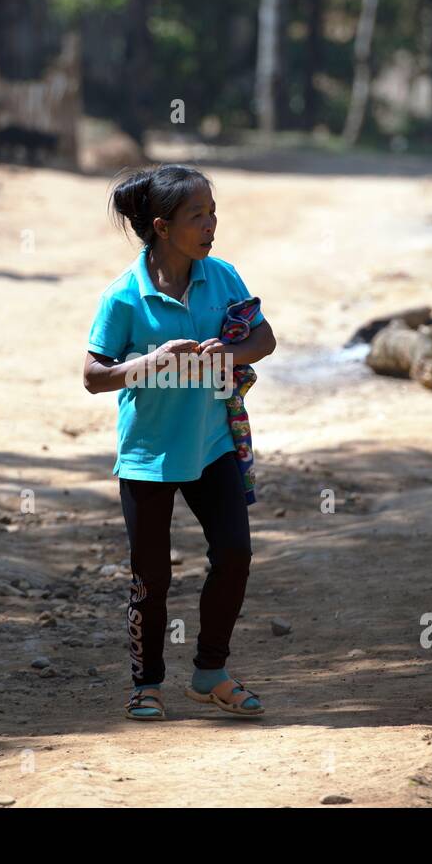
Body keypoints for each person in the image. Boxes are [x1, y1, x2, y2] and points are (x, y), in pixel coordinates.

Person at [82, 165, 276, 721]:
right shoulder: (123, 296)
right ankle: (146, 683)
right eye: (199, 216)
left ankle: (210, 673)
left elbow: (264, 337)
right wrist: (150, 362)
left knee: (235, 555)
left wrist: (231, 354)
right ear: (163, 228)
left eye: (214, 212)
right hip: (146, 457)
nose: (212, 224)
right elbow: (93, 375)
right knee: (152, 578)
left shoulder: (224, 277)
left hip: (212, 446)